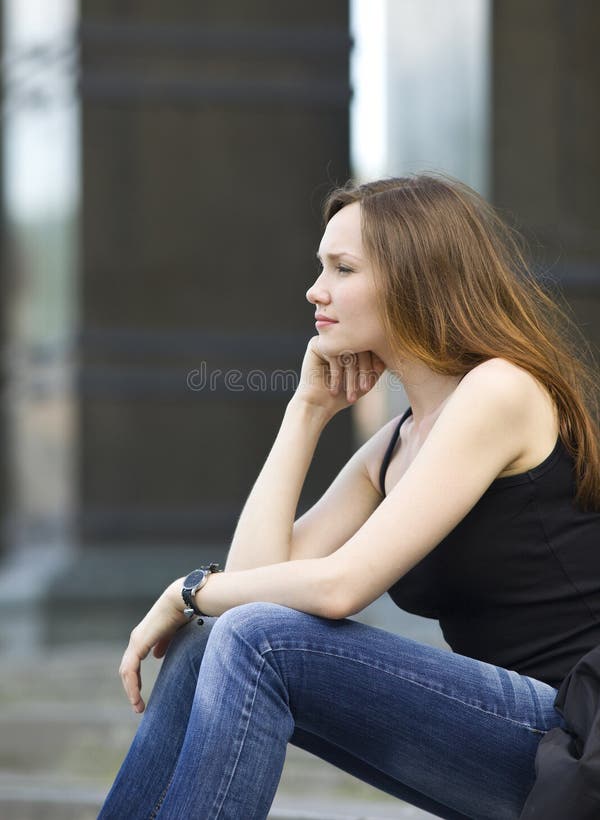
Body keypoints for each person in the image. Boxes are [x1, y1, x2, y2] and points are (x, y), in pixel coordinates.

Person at [98, 173, 600, 820]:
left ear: (415, 277)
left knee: (259, 636)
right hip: (517, 734)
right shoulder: (394, 446)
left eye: (343, 268)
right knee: (210, 636)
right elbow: (251, 586)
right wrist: (306, 412)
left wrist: (184, 589)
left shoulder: (500, 391)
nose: (315, 289)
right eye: (320, 267)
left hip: (577, 730)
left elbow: (338, 589)